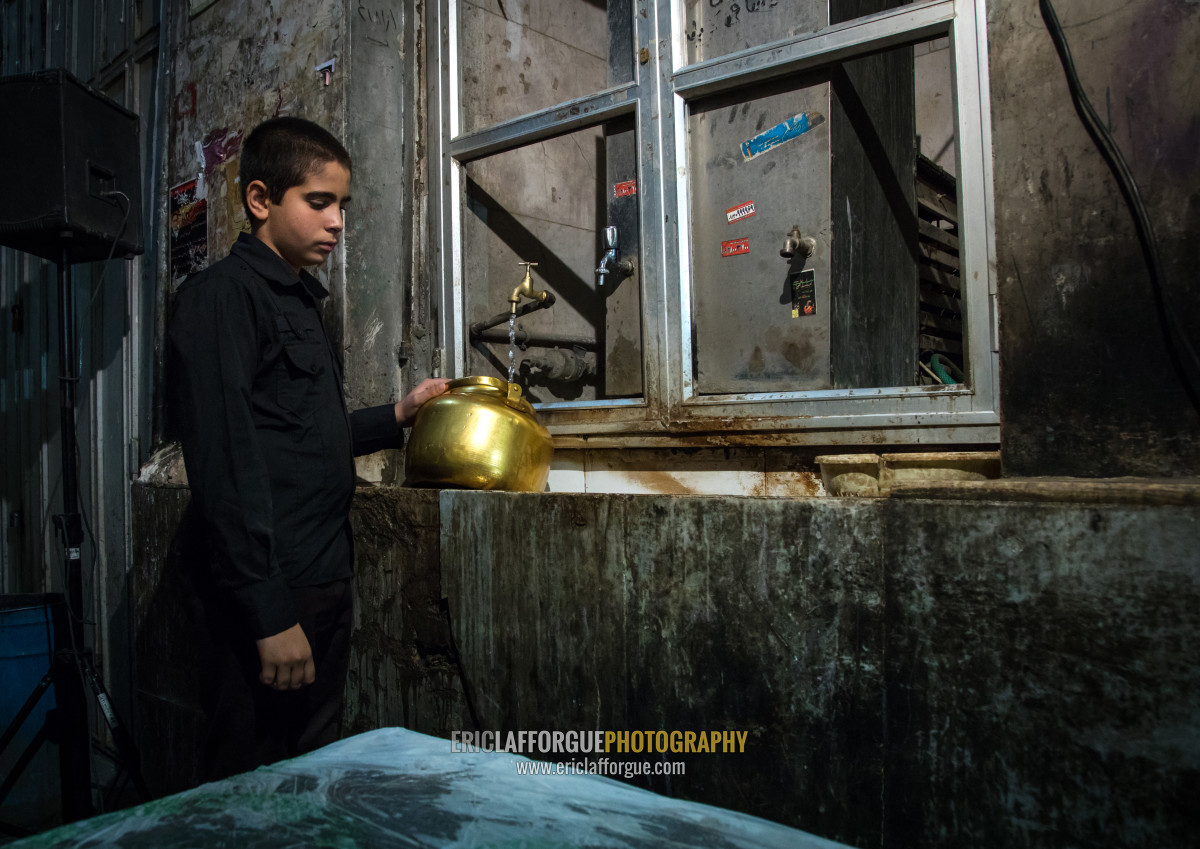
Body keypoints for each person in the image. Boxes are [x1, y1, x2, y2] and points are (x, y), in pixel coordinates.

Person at [167, 116, 446, 781]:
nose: (337, 222)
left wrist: (399, 415)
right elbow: (226, 466)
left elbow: (302, 438)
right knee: (250, 777)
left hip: (319, 582)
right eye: (318, 202)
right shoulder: (221, 300)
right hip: (267, 592)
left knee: (310, 771)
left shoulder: (298, 301)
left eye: (342, 205)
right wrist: (269, 615)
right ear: (261, 200)